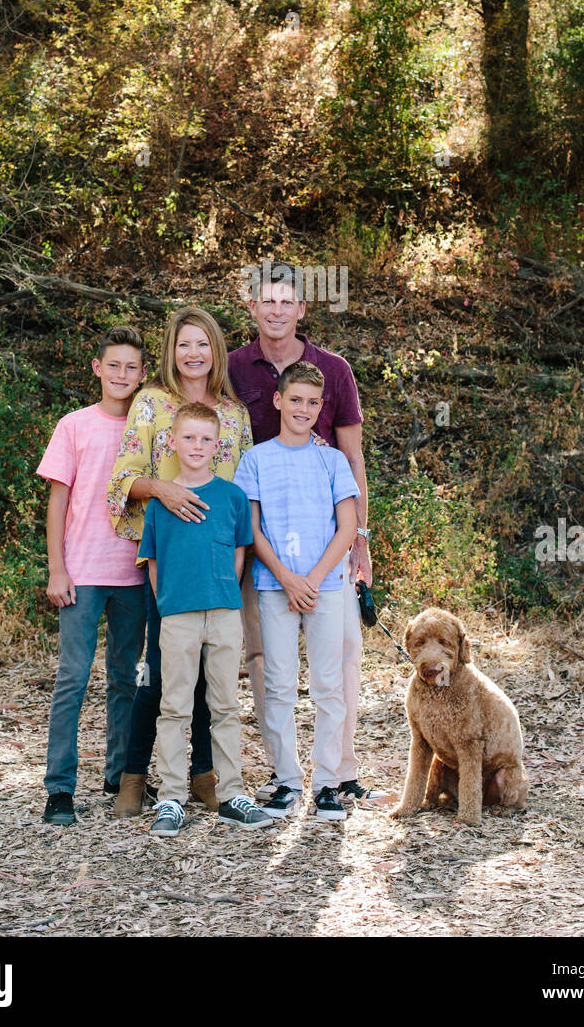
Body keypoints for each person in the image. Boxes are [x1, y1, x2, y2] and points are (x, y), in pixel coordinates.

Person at [228, 264, 384, 805]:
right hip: (264, 551)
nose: (275, 310)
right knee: (267, 666)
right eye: (264, 300)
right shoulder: (232, 370)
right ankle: (284, 776)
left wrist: (360, 540)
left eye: (285, 301)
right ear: (250, 308)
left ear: (301, 309)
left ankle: (337, 774)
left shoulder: (333, 371)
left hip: (327, 549)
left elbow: (353, 454)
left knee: (338, 664)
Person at [107, 307, 252, 816]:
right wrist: (163, 490)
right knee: (161, 675)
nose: (193, 354)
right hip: (165, 564)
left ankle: (206, 778)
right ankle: (133, 776)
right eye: (183, 344)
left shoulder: (233, 415)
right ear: (171, 351)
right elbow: (121, 481)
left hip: (219, 568)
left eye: (203, 344)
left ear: (217, 350)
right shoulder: (151, 405)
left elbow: (244, 490)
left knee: (213, 684)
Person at [234, 362, 359, 820]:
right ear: (278, 401)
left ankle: (326, 783)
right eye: (295, 400)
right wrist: (287, 578)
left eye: (312, 402)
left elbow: (346, 527)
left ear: (320, 406)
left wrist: (312, 578)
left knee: (329, 687)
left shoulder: (331, 460)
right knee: (280, 685)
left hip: (326, 586)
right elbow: (250, 527)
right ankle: (287, 780)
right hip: (273, 586)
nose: (303, 409)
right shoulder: (256, 460)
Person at [143, 403, 273, 835]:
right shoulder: (161, 501)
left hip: (223, 614)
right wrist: (167, 605)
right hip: (177, 615)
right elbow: (154, 559)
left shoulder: (231, 496)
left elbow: (240, 552)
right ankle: (172, 798)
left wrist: (223, 594)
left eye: (205, 439)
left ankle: (232, 792)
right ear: (173, 442)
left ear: (218, 446)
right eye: (188, 438)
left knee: (226, 706)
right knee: (174, 706)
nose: (196, 446)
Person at [39, 326, 149, 826]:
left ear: (143, 374)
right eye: (114, 365)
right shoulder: (74, 426)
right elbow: (58, 499)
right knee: (74, 678)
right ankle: (60, 788)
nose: (122, 375)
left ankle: (117, 775)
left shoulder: (148, 428)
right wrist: (57, 568)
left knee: (125, 678)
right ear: (97, 368)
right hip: (82, 573)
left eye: (132, 367)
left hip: (132, 574)